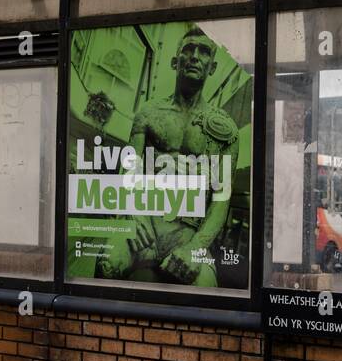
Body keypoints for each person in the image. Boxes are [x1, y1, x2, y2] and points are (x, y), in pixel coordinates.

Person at [97, 26, 237, 286]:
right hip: (145, 224)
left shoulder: (224, 128)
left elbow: (221, 200)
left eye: (204, 51)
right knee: (106, 263)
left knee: (207, 290)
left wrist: (196, 249)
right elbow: (129, 170)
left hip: (188, 234)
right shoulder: (149, 113)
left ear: (212, 67)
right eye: (188, 49)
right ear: (175, 61)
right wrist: (130, 217)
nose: (195, 56)